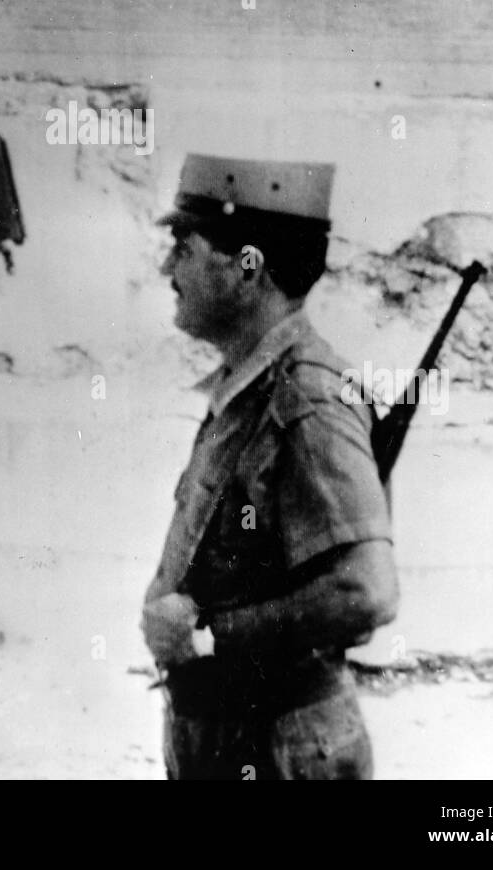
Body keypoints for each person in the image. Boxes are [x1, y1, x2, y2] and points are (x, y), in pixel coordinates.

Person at [142, 154, 398, 780]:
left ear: (248, 267)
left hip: (276, 748)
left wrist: (212, 633)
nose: (166, 267)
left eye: (184, 245)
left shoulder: (305, 399)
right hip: (235, 741)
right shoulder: (248, 388)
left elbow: (366, 589)